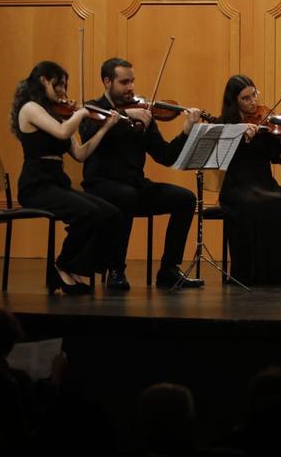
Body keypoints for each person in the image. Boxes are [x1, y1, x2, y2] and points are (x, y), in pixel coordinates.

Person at [79, 58, 203, 290]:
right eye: (124, 82)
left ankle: (168, 269)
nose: (131, 88)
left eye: (132, 81)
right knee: (126, 196)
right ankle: (116, 268)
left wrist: (186, 132)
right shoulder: (93, 109)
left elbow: (166, 156)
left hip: (135, 186)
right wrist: (124, 117)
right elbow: (87, 136)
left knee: (185, 199)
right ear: (107, 82)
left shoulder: (143, 114)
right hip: (101, 185)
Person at [10, 61, 122, 294]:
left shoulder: (57, 115)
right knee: (88, 213)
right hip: (36, 186)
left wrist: (104, 129)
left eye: (64, 85)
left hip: (56, 183)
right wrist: (80, 113)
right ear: (43, 81)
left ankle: (76, 268)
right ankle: (62, 266)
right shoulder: (30, 108)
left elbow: (80, 154)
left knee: (111, 214)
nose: (63, 91)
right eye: (58, 85)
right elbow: (63, 132)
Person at [216, 75, 281, 285]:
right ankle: (255, 275)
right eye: (246, 99)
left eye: (254, 94)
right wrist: (238, 135)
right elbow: (218, 160)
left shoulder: (266, 123)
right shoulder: (224, 124)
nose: (253, 102)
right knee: (256, 205)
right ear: (235, 101)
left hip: (265, 184)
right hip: (237, 188)